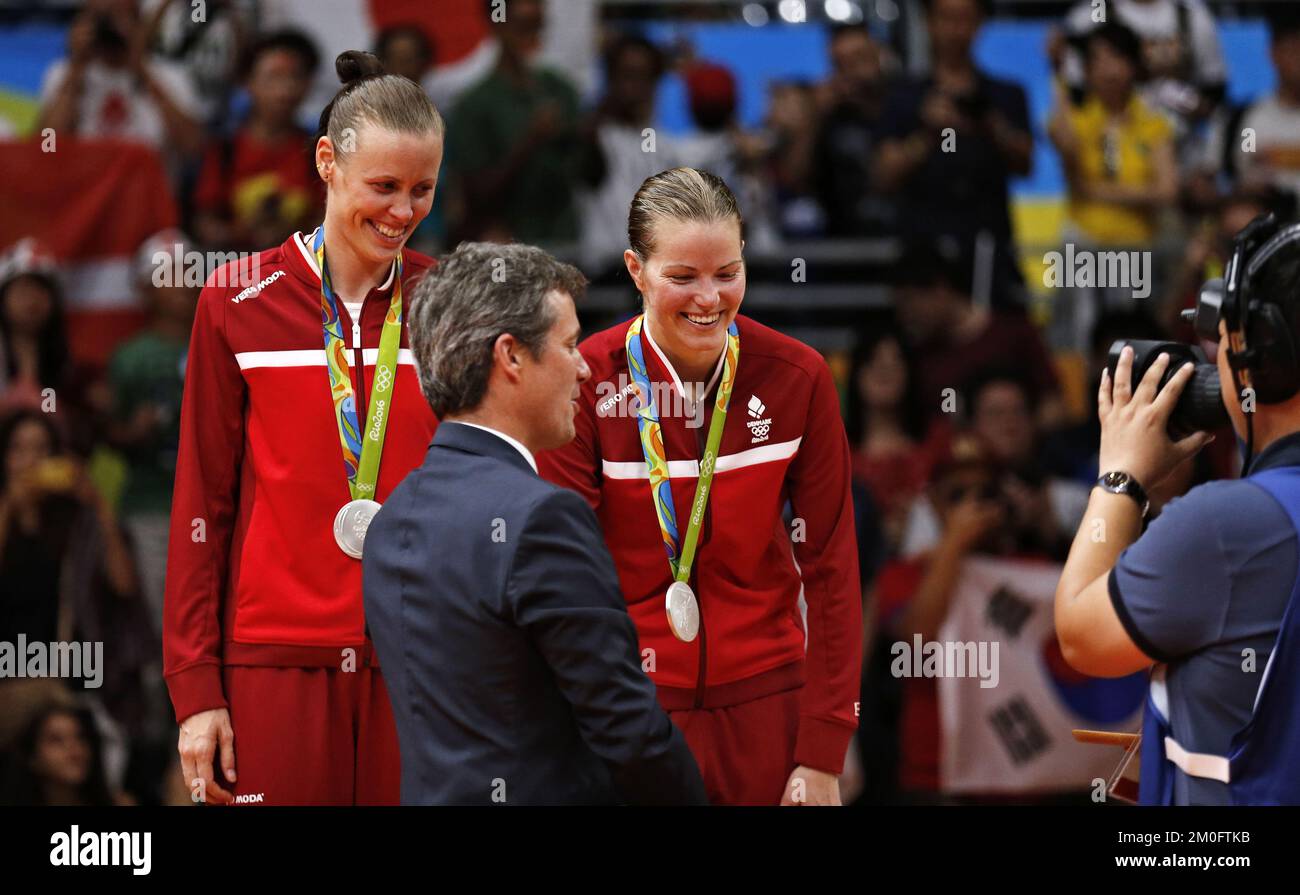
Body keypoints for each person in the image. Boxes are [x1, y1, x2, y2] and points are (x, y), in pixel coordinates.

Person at [163, 51, 444, 806]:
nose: (402, 211)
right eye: (383, 187)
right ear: (327, 161)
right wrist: (195, 688)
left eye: (422, 189)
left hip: (422, 659)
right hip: (273, 661)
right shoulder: (235, 300)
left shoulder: (451, 302)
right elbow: (201, 503)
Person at [537, 167, 863, 806]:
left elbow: (832, 571)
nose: (709, 299)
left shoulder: (798, 378)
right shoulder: (584, 383)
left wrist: (824, 750)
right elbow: (564, 582)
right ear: (636, 269)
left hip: (770, 702)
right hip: (631, 710)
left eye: (728, 273)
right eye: (681, 277)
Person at [363, 242, 708, 806]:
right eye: (569, 344)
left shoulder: (393, 515)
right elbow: (628, 732)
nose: (584, 366)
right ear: (511, 357)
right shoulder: (543, 518)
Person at [1055, 217, 1300, 805]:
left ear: (1256, 355)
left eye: (1223, 342)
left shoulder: (1228, 525)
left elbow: (1081, 637)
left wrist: (1120, 477)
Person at [873, 0, 1033, 304]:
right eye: (946, 19)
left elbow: (1025, 165)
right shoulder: (903, 96)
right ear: (928, 23)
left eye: (964, 19)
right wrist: (928, 131)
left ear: (980, 24)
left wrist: (992, 127)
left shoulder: (1004, 95)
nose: (955, 31)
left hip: (991, 251)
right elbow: (883, 176)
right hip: (923, 256)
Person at [191, 29, 323, 253]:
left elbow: (328, 218)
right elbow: (205, 222)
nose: (285, 90)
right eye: (274, 77)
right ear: (248, 83)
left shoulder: (317, 151)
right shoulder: (225, 150)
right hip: (237, 269)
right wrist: (240, 233)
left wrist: (294, 235)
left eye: (295, 77)